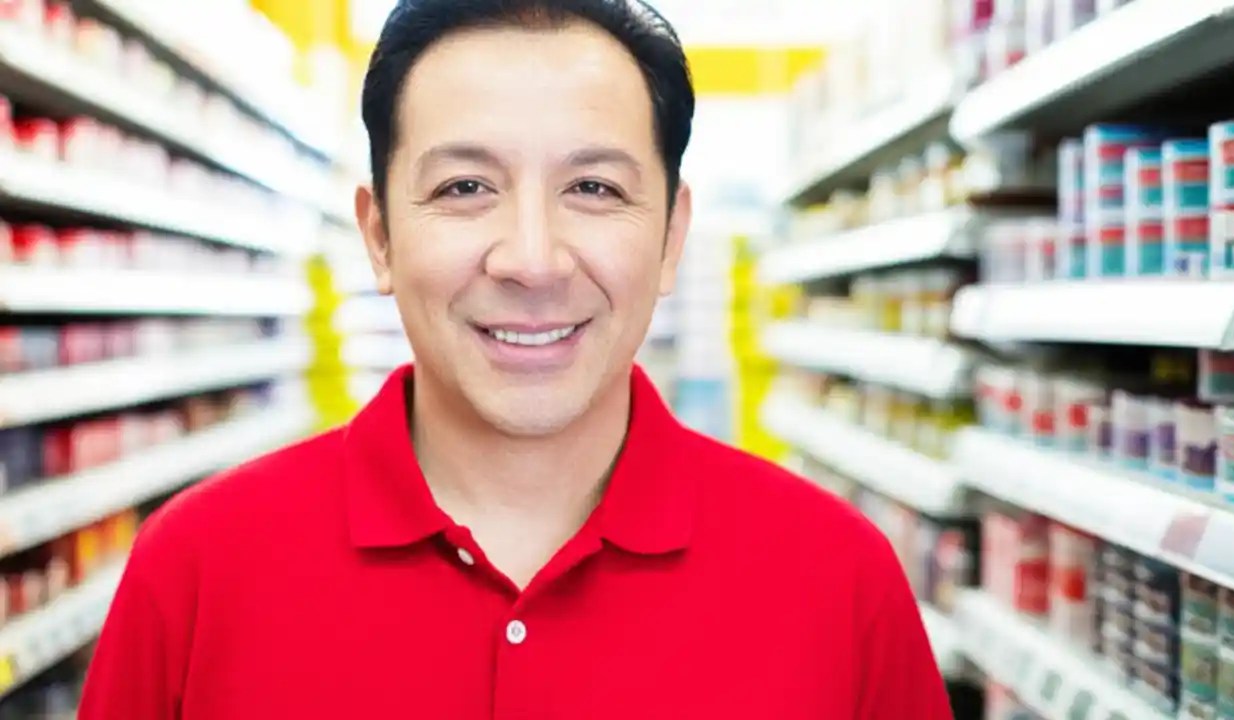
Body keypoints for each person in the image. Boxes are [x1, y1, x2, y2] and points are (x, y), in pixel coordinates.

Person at [79, 0, 952, 717]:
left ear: (672, 236)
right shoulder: (194, 572)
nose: (531, 259)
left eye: (594, 188)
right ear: (378, 234)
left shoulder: (839, 583)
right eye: (465, 187)